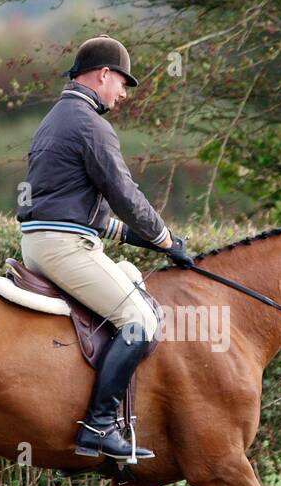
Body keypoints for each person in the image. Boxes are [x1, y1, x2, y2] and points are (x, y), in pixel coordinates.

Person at [17, 35, 194, 461]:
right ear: (103, 75)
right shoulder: (91, 125)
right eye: (121, 84)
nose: (121, 95)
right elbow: (125, 195)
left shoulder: (56, 119)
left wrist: (139, 240)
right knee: (139, 319)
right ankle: (97, 426)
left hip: (43, 241)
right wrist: (165, 239)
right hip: (63, 247)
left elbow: (81, 211)